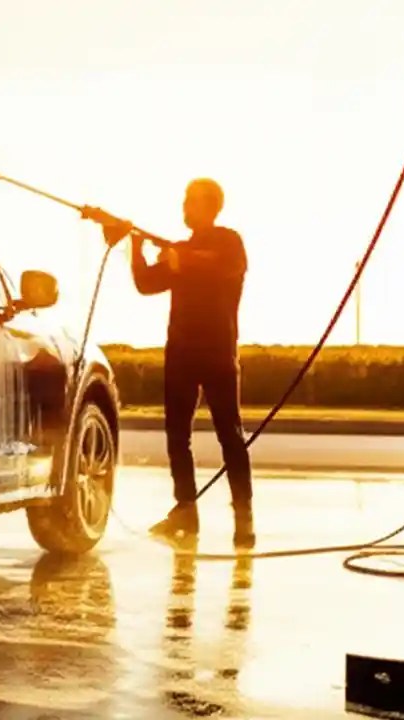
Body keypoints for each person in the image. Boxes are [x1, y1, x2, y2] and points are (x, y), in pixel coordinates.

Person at [98, 178, 255, 548]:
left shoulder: (228, 242)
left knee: (230, 435)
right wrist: (135, 246)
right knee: (176, 437)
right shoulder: (178, 250)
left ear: (210, 206)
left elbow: (223, 267)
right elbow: (146, 284)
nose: (184, 207)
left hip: (218, 352)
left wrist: (179, 258)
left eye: (191, 201)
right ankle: (185, 512)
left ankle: (244, 518)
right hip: (180, 352)